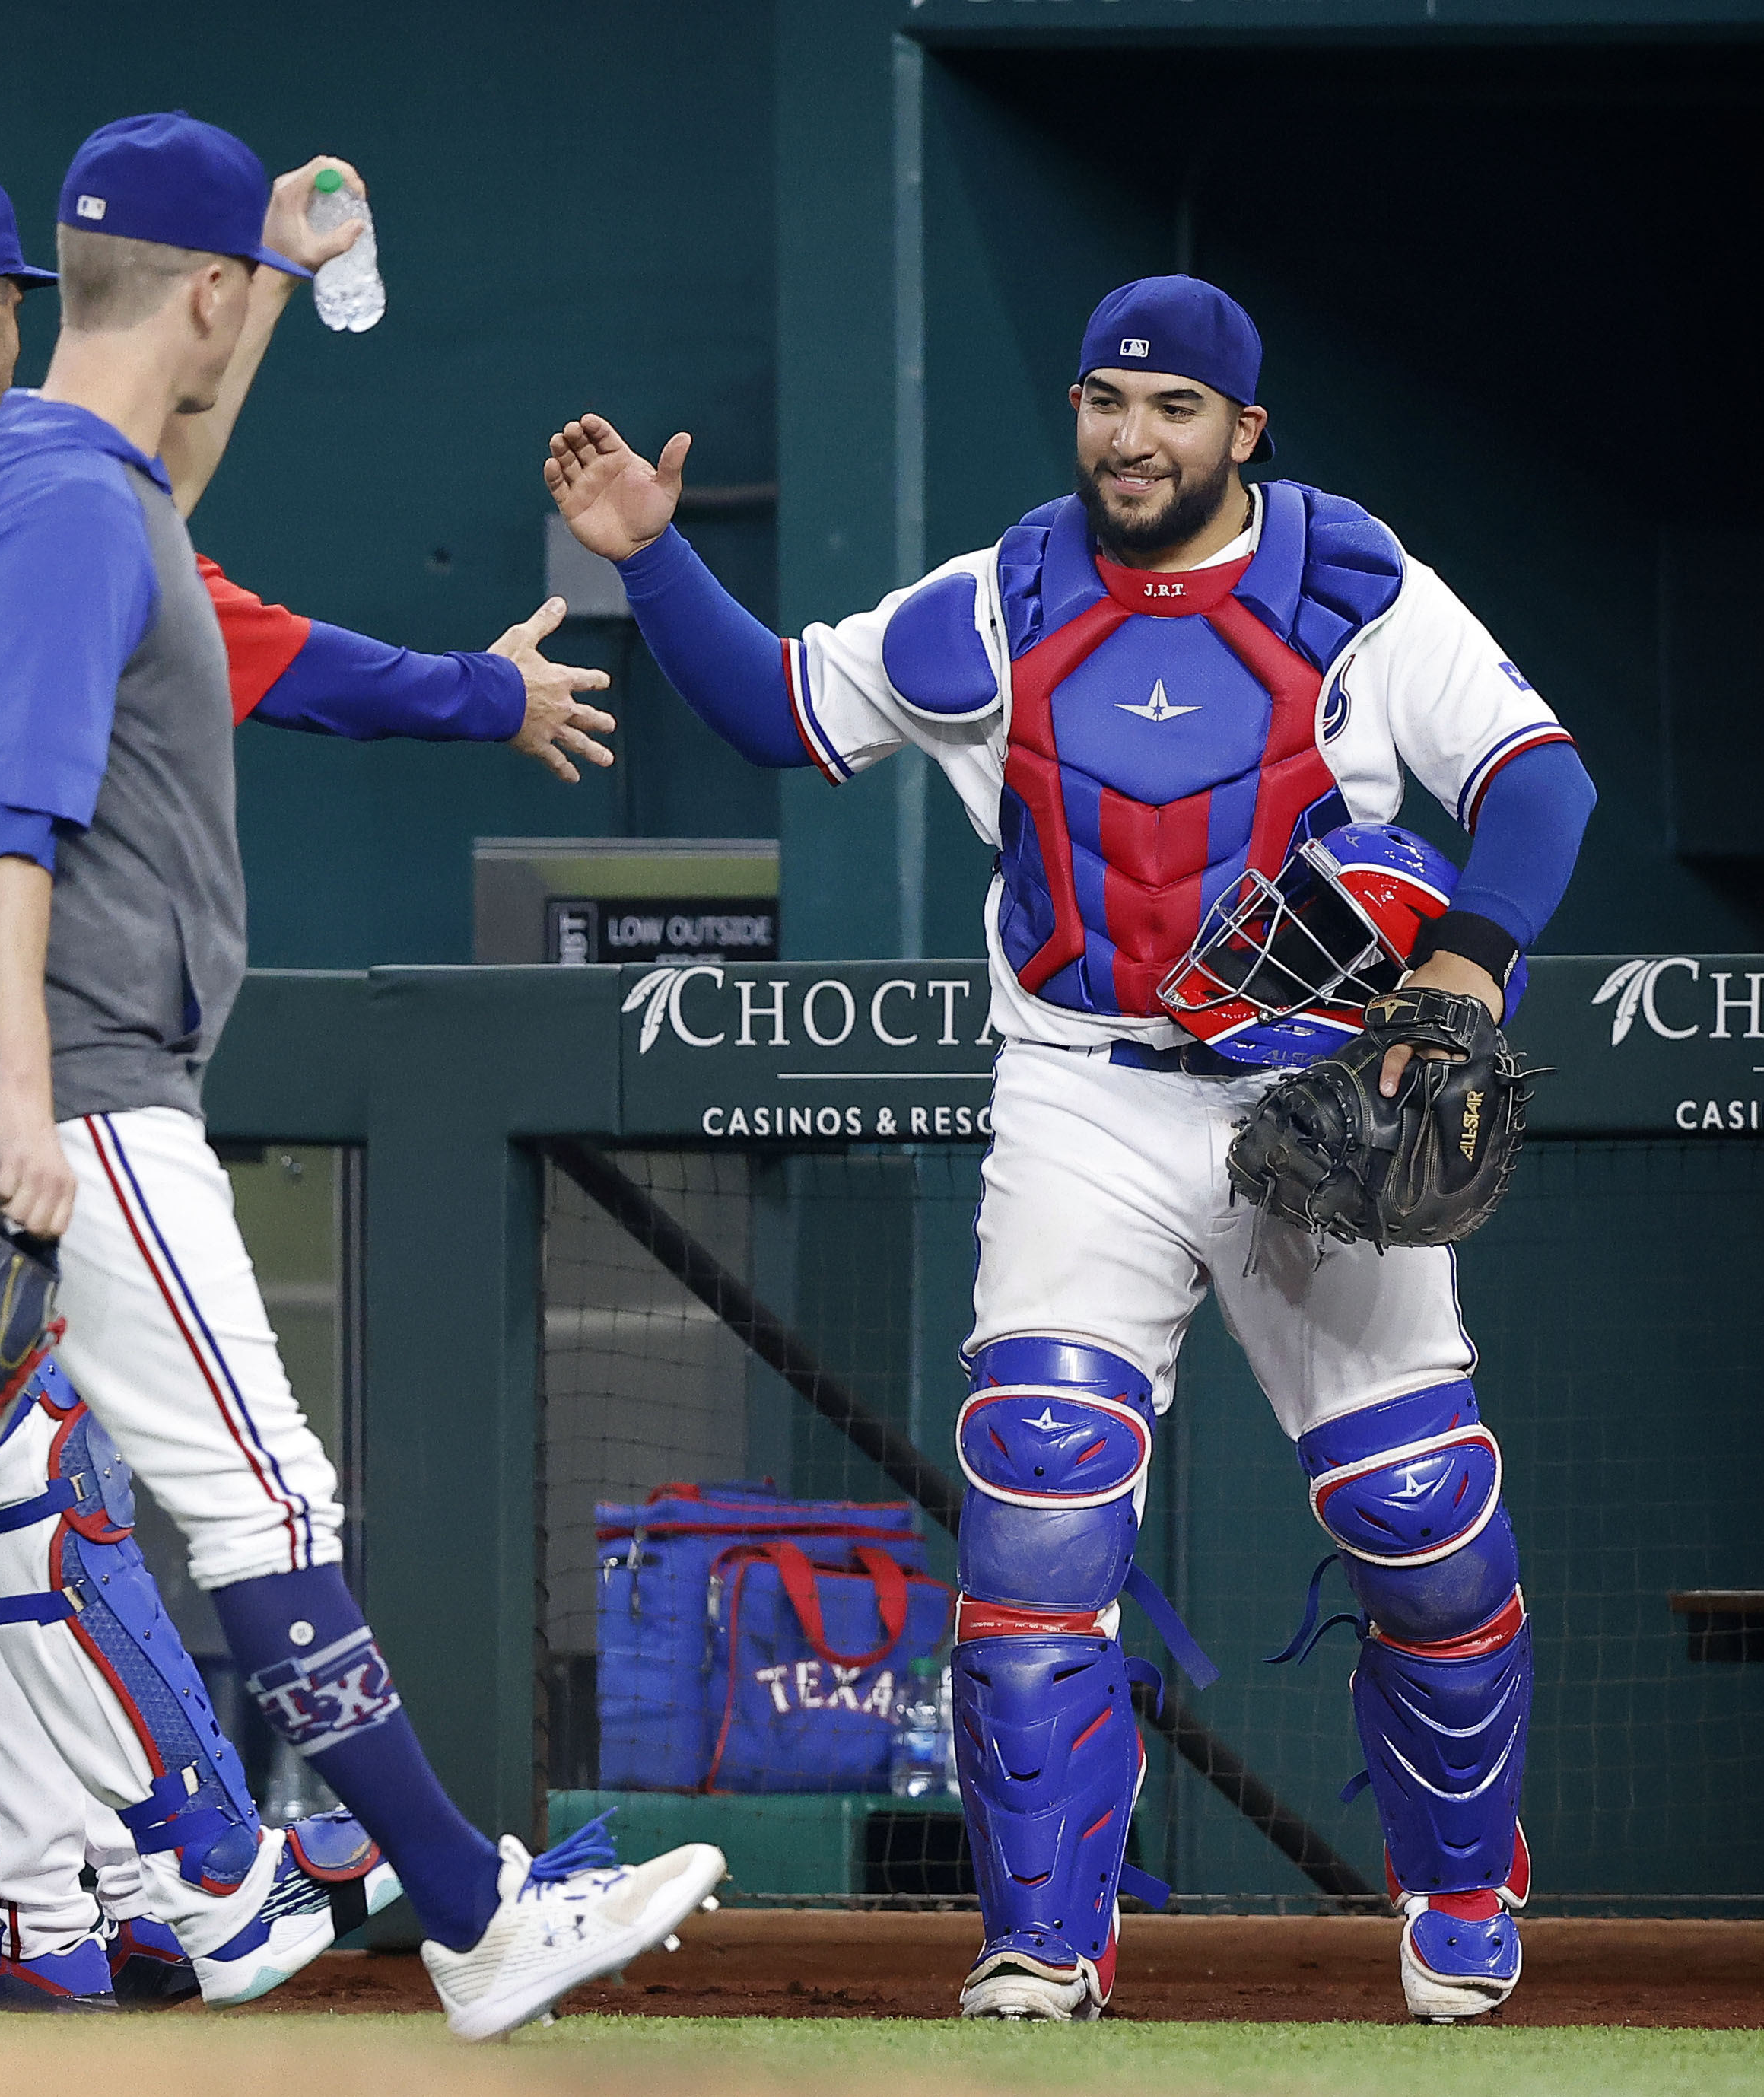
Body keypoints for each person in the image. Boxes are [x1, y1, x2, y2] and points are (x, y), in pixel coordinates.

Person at [0, 113, 725, 2048]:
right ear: (185, 294)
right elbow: (3, 828)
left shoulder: (37, 468)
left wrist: (260, 274)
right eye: (224, 296)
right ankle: (469, 1916)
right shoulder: (51, 504)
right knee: (258, 1491)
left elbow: (159, 463)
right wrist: (28, 1111)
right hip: (73, 1087)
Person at [543, 275, 1594, 2023]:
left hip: (1313, 1094)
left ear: (1241, 430)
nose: (1131, 436)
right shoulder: (1000, 598)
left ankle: (1462, 1894)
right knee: (1035, 1509)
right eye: (1107, 400)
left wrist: (1467, 960)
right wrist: (651, 557)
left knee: (1417, 1520)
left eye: (1172, 408)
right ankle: (1043, 1940)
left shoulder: (1352, 587)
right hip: (1080, 1092)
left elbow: (1537, 781)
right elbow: (781, 709)